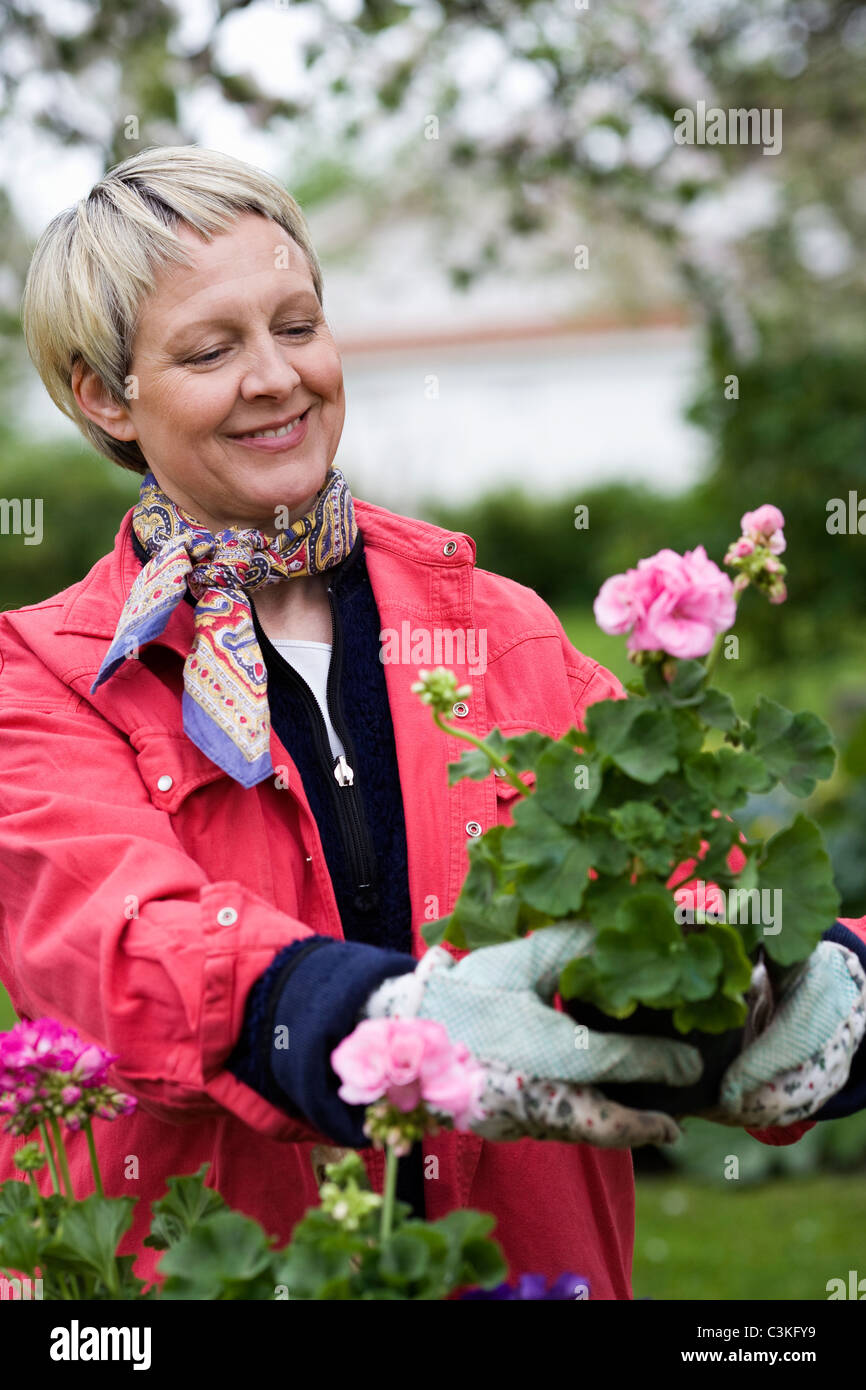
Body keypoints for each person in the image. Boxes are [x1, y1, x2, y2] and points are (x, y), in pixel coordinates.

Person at [1, 144, 864, 1300]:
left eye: (297, 326)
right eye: (211, 351)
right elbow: (116, 939)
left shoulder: (496, 628)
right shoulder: (48, 675)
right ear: (105, 395)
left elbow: (687, 891)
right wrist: (385, 1027)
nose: (276, 378)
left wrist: (814, 986)